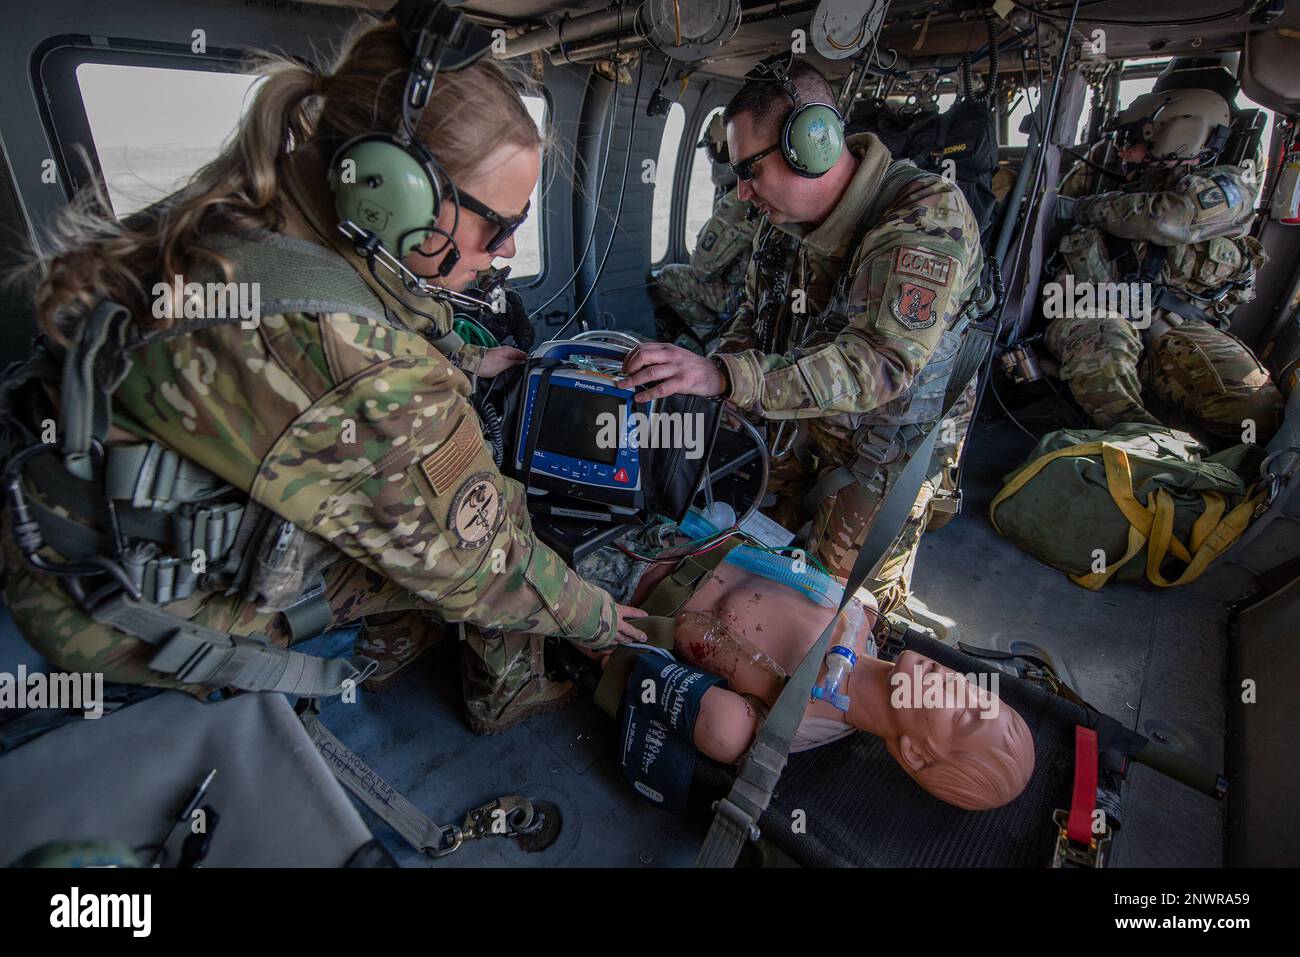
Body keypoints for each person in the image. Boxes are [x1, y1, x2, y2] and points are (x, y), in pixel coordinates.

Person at [0, 5, 646, 732]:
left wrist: (465, 360)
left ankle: (390, 638)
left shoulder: (262, 202)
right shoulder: (356, 364)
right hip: (115, 602)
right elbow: (486, 566)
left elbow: (343, 326)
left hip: (66, 520)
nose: (502, 252)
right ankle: (504, 688)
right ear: (393, 192)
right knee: (498, 521)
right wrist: (596, 616)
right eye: (496, 225)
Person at [620, 55, 984, 615]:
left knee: (834, 607)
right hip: (800, 411)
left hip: (886, 441)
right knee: (745, 551)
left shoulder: (926, 216)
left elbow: (880, 364)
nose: (742, 191)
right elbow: (755, 315)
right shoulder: (782, 222)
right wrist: (705, 379)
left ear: (812, 146)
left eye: (750, 170)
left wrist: (725, 377)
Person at [558, 545, 1034, 811]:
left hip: (599, 579)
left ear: (913, 752)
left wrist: (586, 624)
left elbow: (626, 662)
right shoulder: (858, 610)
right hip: (673, 522)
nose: (959, 683)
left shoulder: (771, 724)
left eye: (966, 714)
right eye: (977, 690)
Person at [1047, 86, 1283, 446]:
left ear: (1176, 132)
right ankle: (1147, 452)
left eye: (1130, 138)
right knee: (1103, 357)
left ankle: (1200, 462)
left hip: (1180, 326)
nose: (1121, 149)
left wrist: (1087, 209)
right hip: (1097, 314)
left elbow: (1169, 219)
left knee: (1255, 411)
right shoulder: (1116, 186)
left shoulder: (1231, 187)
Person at [653, 114, 759, 355]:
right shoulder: (754, 190)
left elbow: (703, 267)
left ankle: (713, 342)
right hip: (754, 291)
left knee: (669, 276)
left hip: (741, 297)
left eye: (714, 152)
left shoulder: (738, 202)